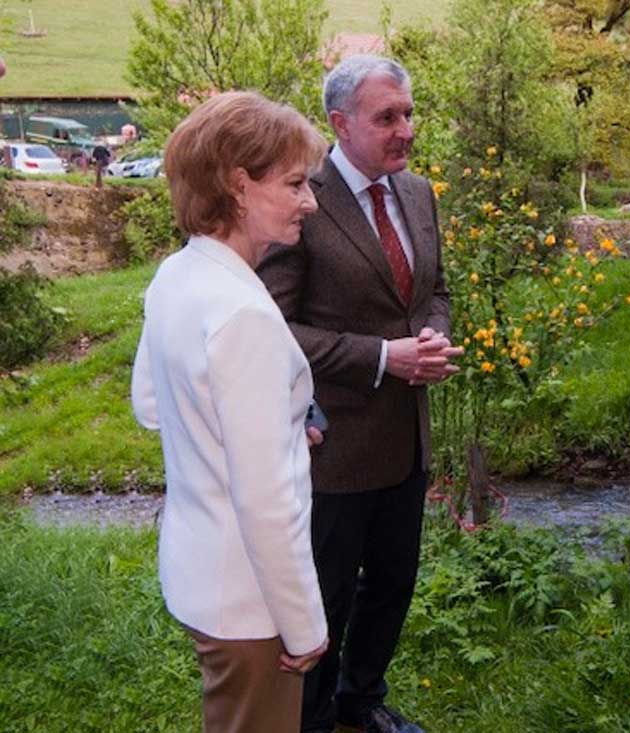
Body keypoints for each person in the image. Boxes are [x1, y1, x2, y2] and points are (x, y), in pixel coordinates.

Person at [257, 54, 462, 733]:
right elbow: (275, 330)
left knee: (393, 583)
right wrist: (382, 357)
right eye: (387, 117)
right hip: (332, 448)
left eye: (408, 113)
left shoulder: (417, 193)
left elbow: (433, 291)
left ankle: (360, 698)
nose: (405, 129)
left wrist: (430, 338)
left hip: (407, 440)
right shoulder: (301, 202)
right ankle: (310, 718)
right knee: (326, 597)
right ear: (340, 124)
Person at [130, 91, 330, 732]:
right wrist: (304, 628)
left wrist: (268, 427)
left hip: (198, 569)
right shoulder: (242, 312)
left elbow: (155, 406)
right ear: (238, 186)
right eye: (296, 183)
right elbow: (265, 501)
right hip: (248, 598)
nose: (312, 201)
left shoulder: (178, 275)